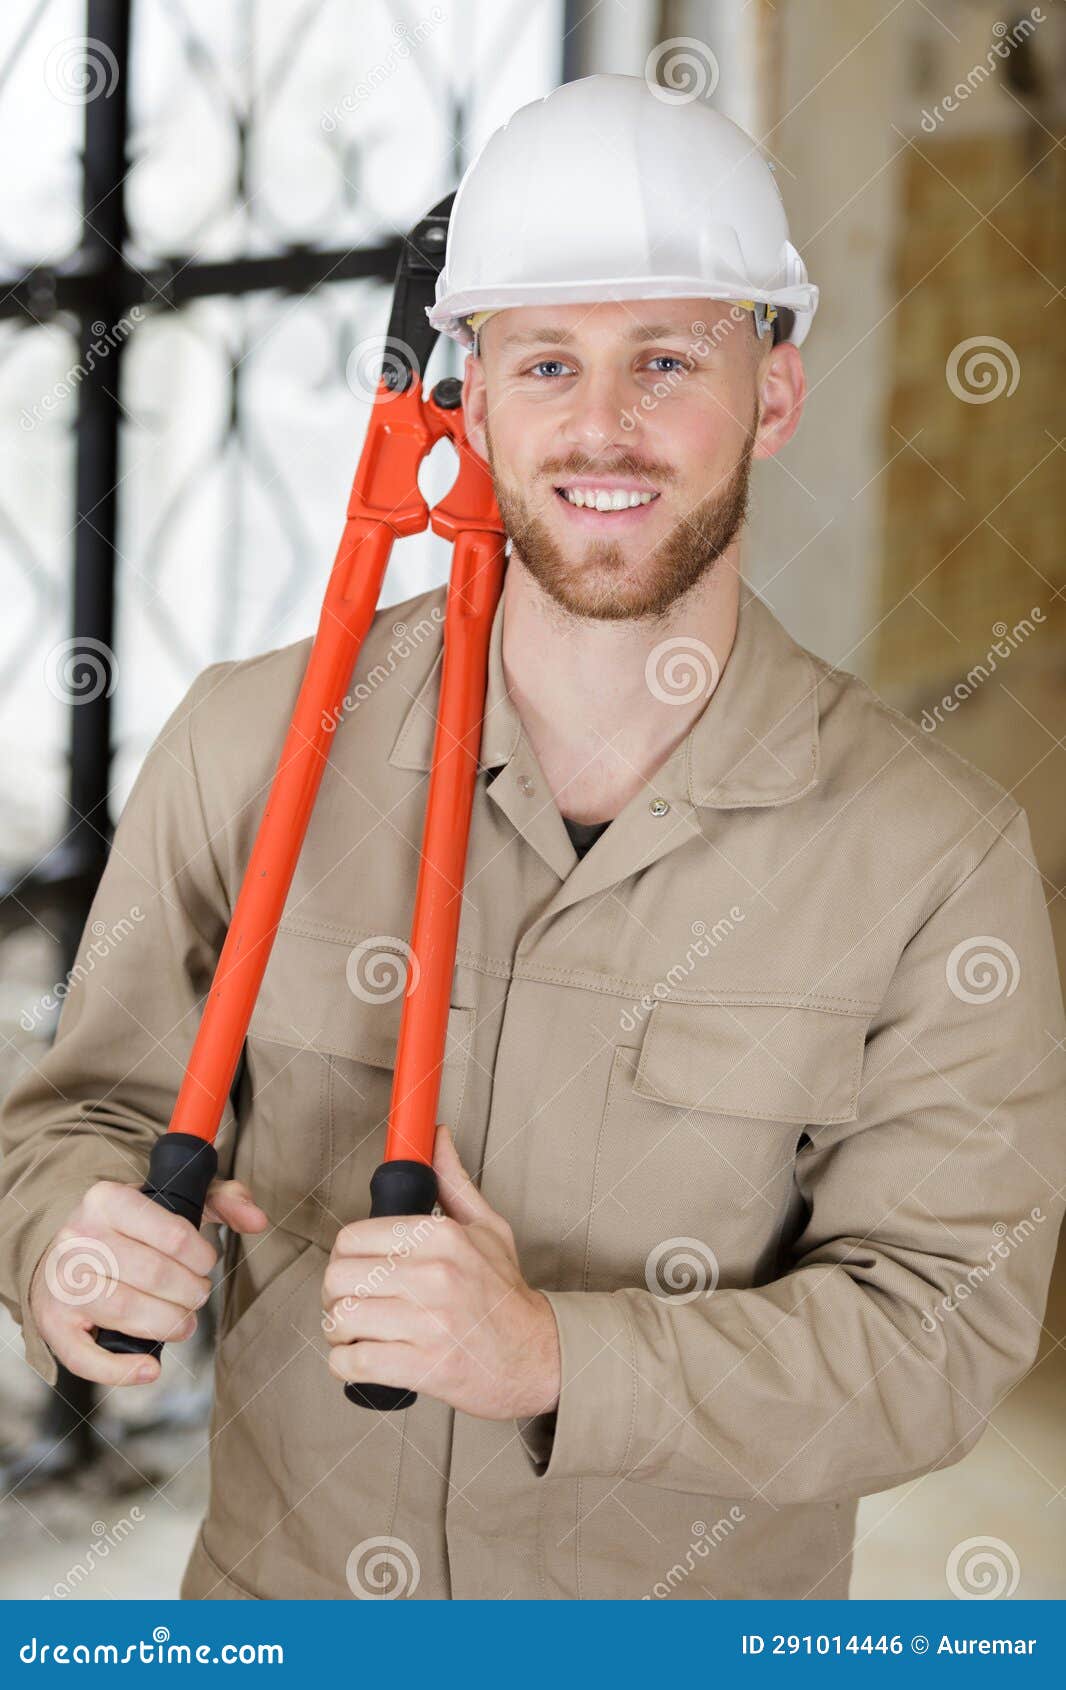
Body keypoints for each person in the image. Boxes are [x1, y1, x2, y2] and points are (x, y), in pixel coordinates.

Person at [1, 72, 1063, 1603]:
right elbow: (78, 1114)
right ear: (470, 395)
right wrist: (67, 1248)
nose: (603, 427)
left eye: (668, 361)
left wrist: (556, 1353)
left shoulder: (930, 855)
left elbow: (943, 1333)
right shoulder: (249, 742)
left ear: (773, 393)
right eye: (546, 361)